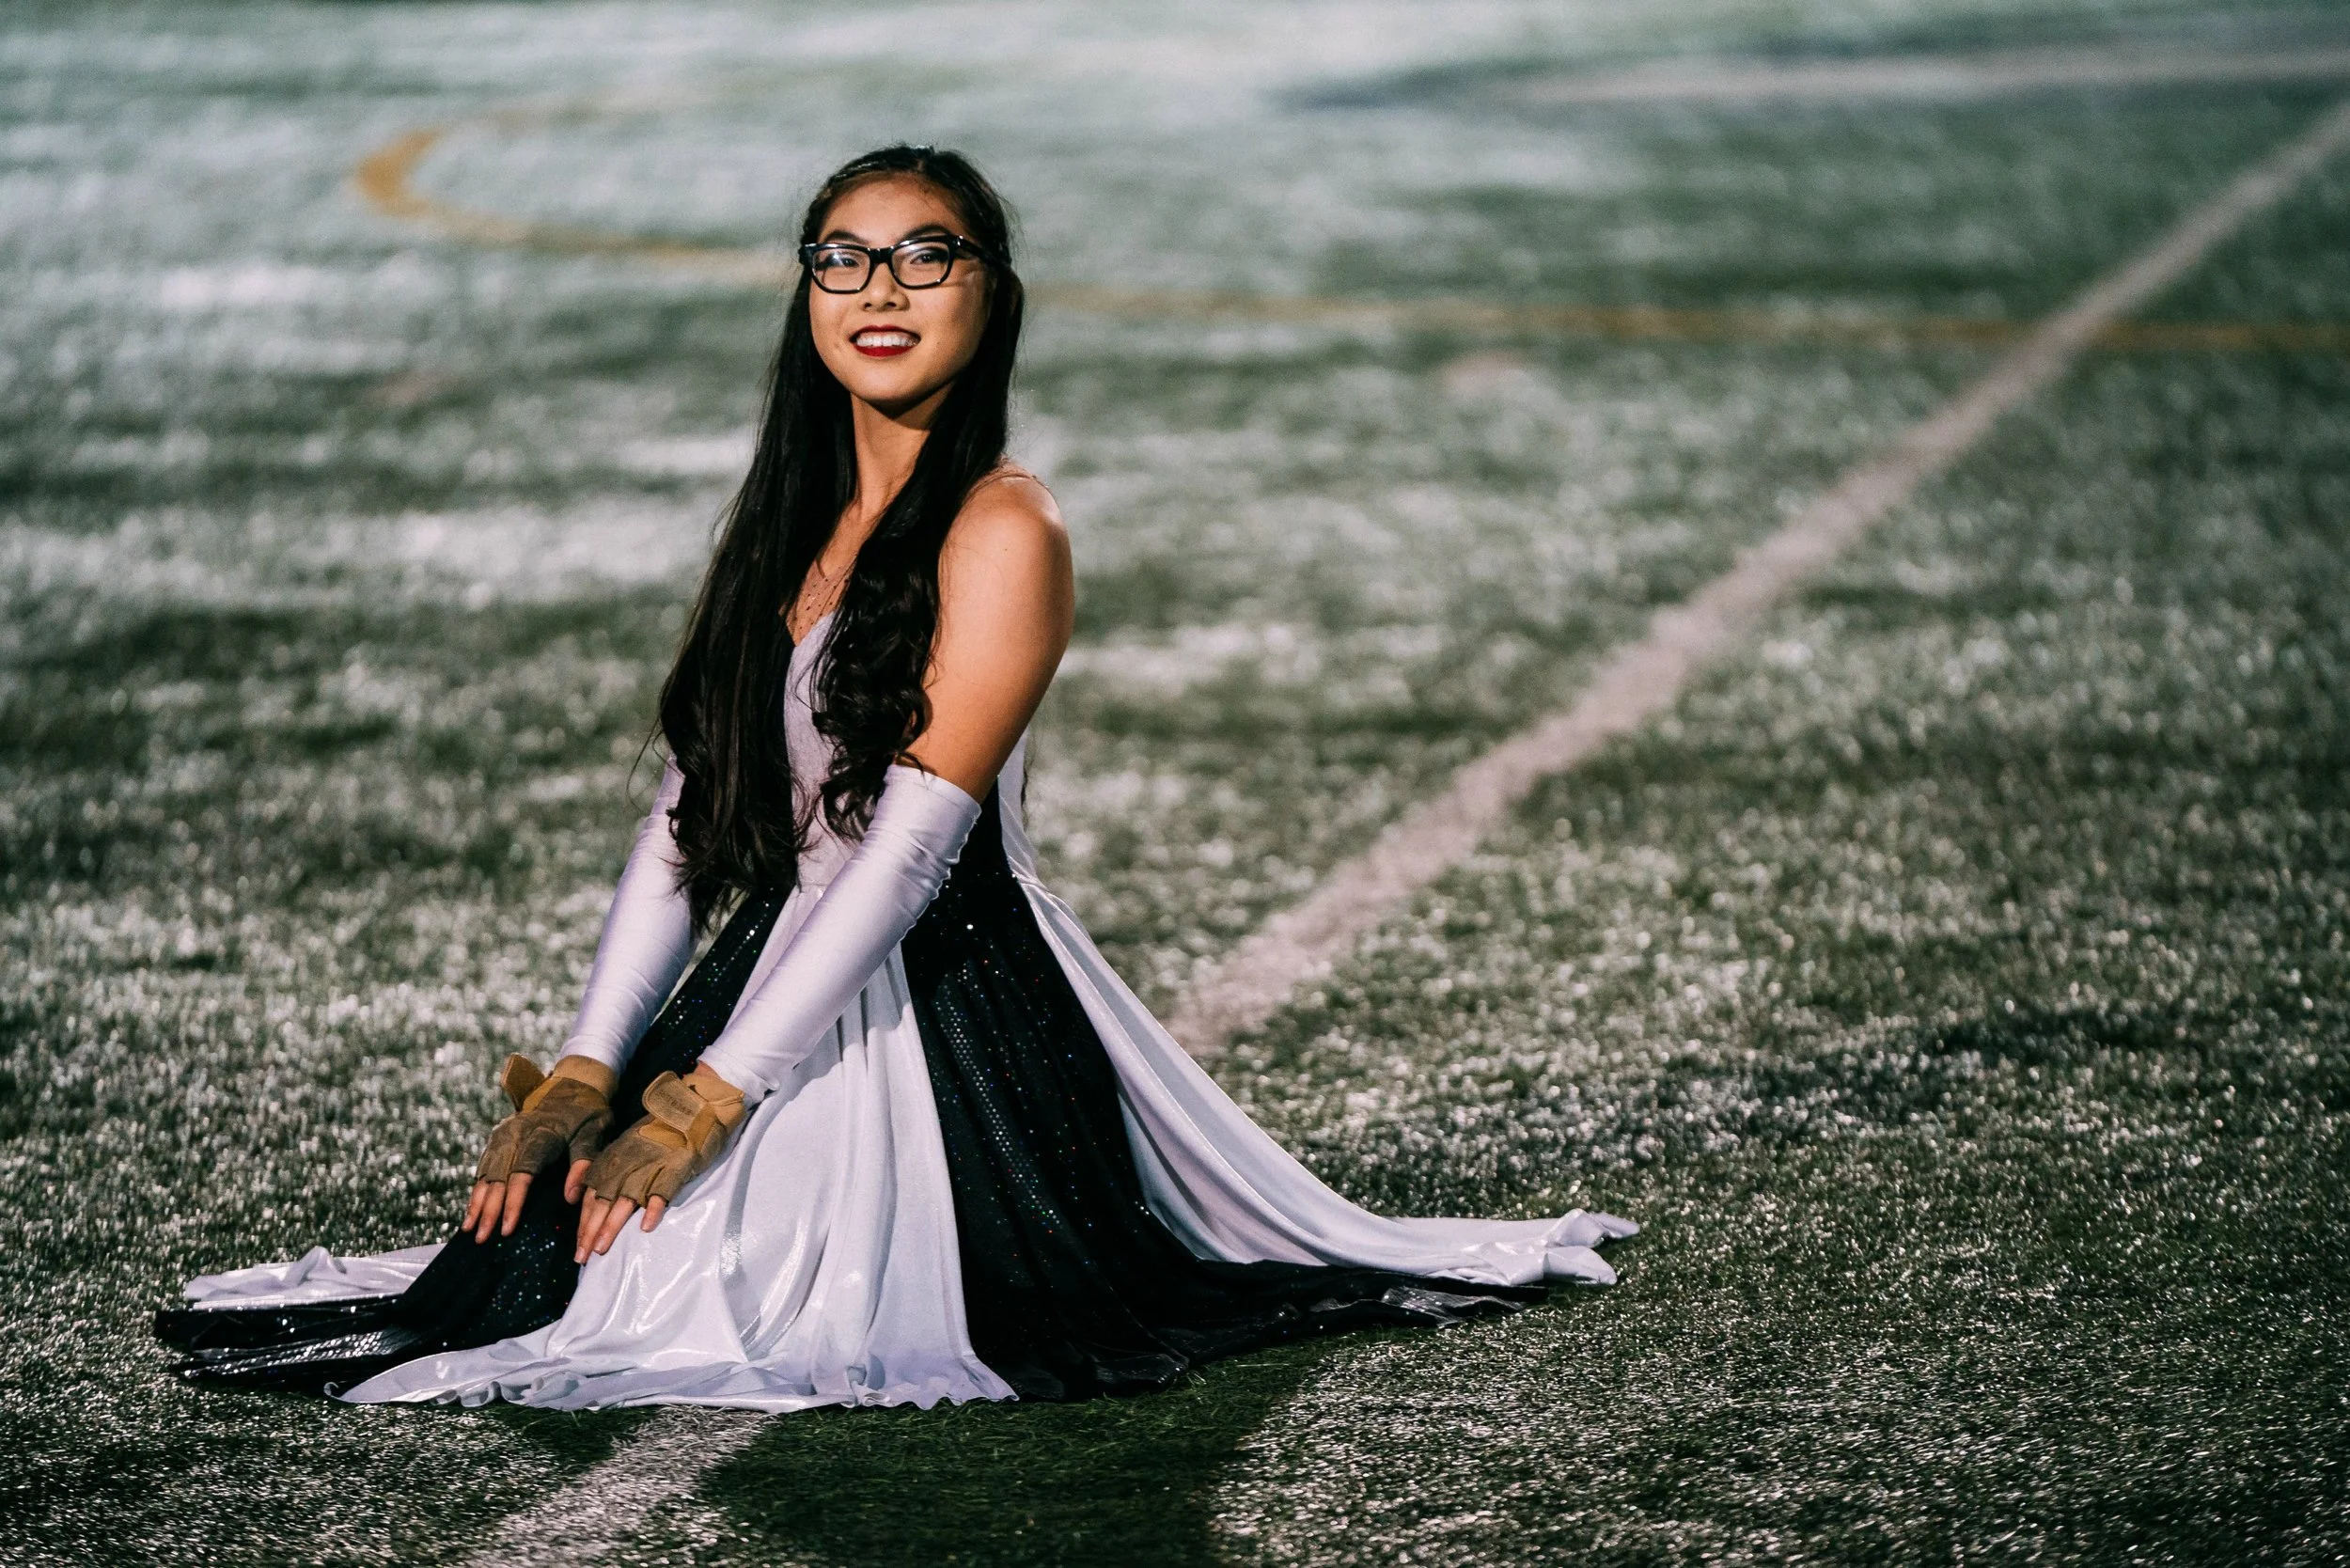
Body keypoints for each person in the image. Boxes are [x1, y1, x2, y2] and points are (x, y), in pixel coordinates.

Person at [156, 146, 1634, 1410]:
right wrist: (594, 1074)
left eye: (927, 257)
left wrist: (713, 1098)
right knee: (555, 1237)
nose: (880, 290)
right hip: (770, 973)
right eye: (843, 260)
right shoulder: (785, 527)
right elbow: (683, 820)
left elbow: (917, 849)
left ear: (989, 296)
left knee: (719, 1292)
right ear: (806, 297)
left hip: (953, 1002)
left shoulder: (1006, 526)